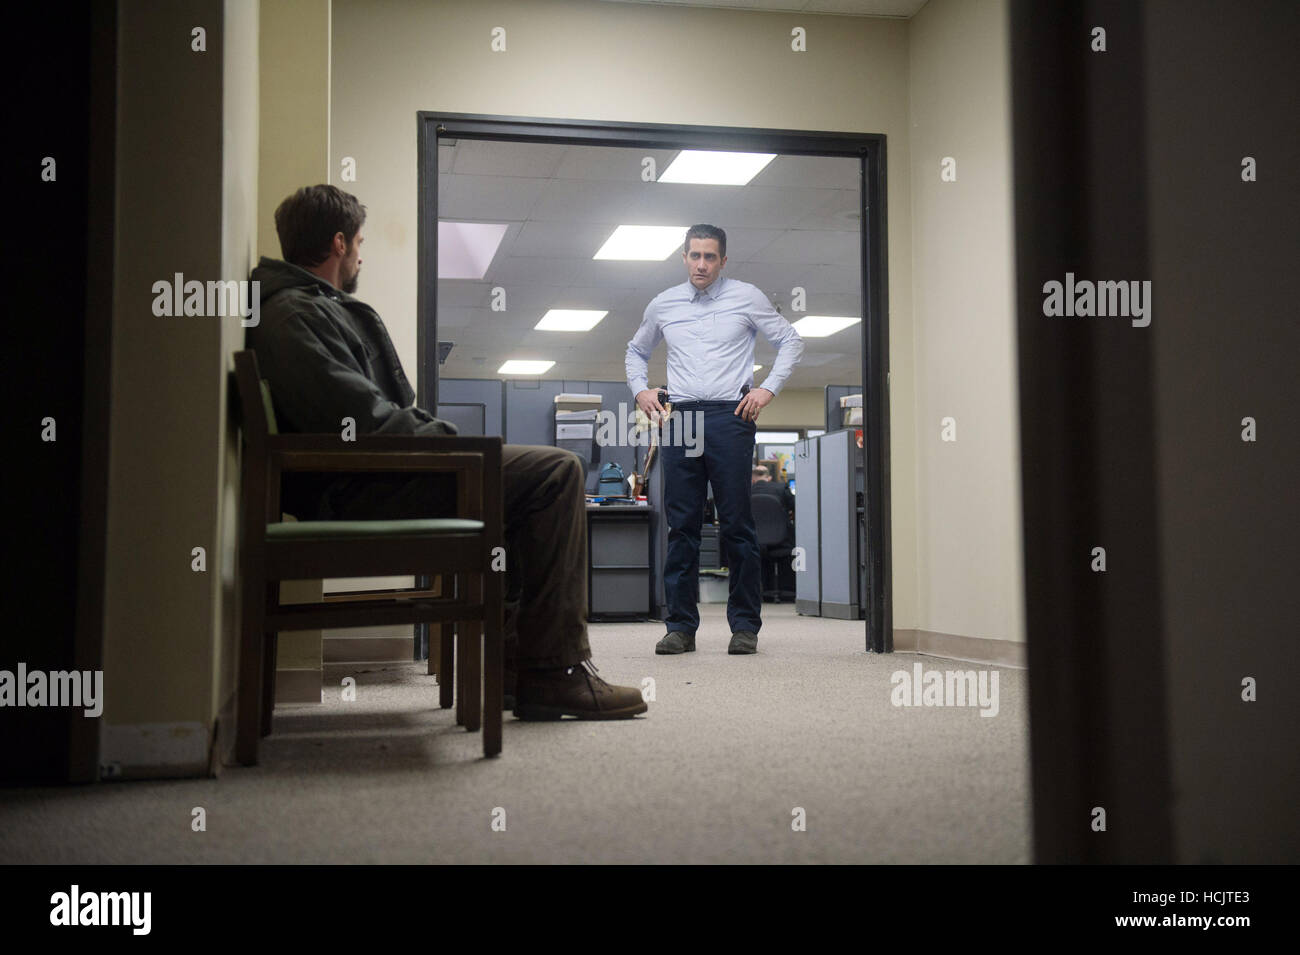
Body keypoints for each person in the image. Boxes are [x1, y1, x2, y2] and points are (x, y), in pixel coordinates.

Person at [248, 184, 646, 721]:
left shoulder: (298, 309)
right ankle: (554, 672)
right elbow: (361, 422)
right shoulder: (294, 315)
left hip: (364, 479)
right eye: (360, 242)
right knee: (557, 470)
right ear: (339, 243)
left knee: (522, 483)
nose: (362, 255)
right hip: (358, 488)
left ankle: (517, 668)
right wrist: (455, 445)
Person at [626, 224, 803, 656]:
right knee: (682, 525)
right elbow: (636, 350)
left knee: (737, 525)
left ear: (723, 260)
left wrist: (768, 389)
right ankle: (680, 628)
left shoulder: (747, 297)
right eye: (694, 255)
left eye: (710, 256)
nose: (701, 264)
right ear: (683, 258)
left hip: (730, 415)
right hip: (681, 417)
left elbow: (790, 340)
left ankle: (744, 626)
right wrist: (641, 390)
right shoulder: (663, 304)